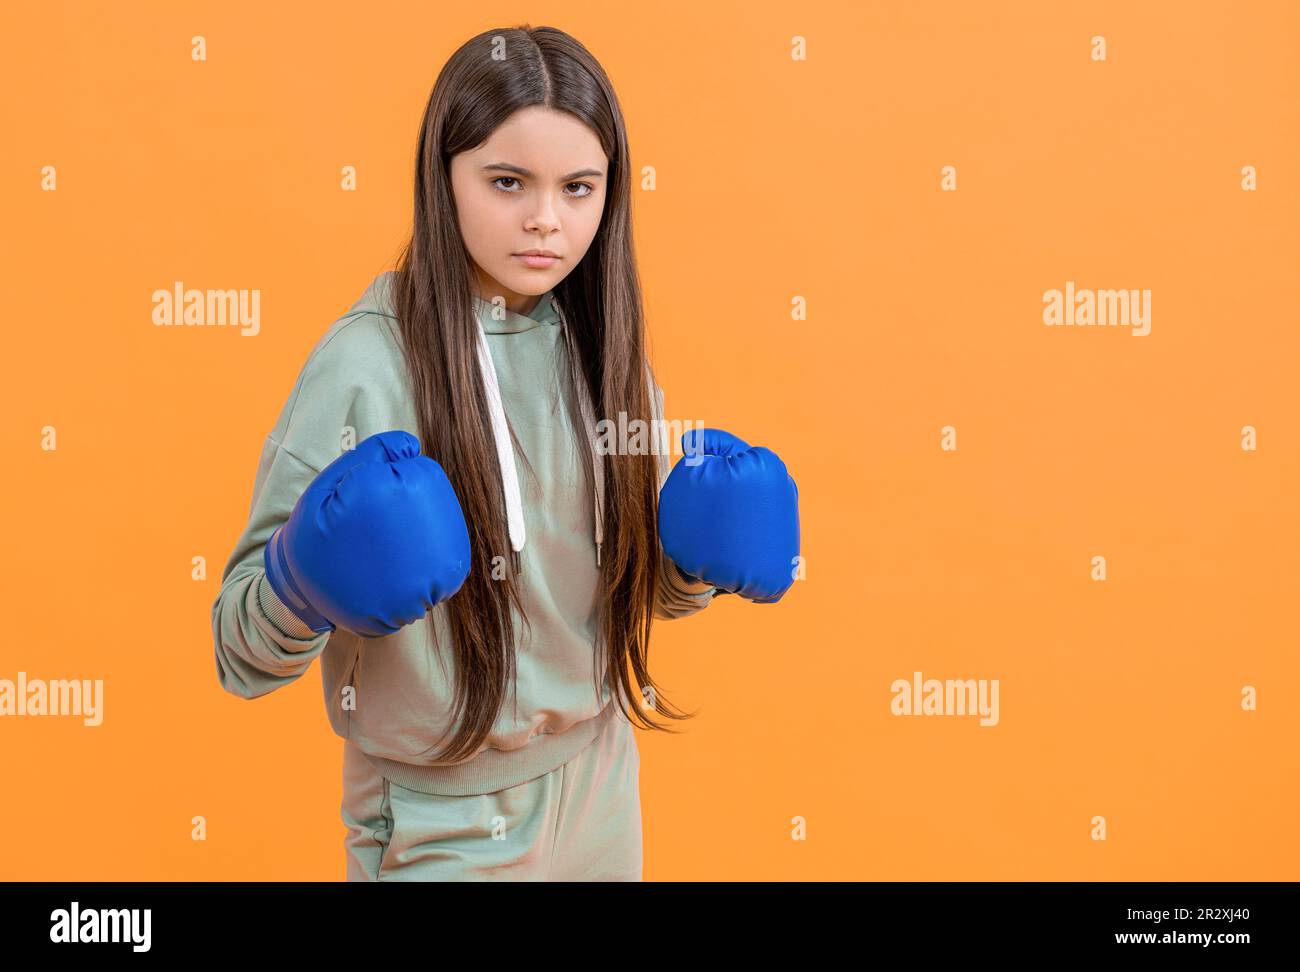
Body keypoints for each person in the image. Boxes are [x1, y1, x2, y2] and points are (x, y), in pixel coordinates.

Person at [211, 23, 800, 882]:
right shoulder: (367, 365)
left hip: (600, 781)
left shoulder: (606, 347)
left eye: (578, 188)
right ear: (441, 176)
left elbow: (637, 595)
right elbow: (239, 651)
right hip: (436, 814)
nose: (545, 221)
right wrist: (304, 580)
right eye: (507, 182)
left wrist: (695, 560)